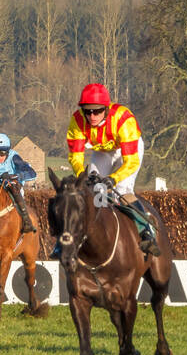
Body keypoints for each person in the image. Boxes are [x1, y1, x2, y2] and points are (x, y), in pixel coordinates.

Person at [64, 82, 158, 255]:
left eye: (97, 111)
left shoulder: (123, 119)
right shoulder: (77, 120)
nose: (92, 116)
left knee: (121, 189)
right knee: (95, 189)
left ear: (106, 109)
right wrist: (84, 174)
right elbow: (75, 157)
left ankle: (146, 231)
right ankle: (99, 233)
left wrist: (113, 178)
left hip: (127, 150)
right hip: (102, 151)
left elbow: (130, 162)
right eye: (88, 111)